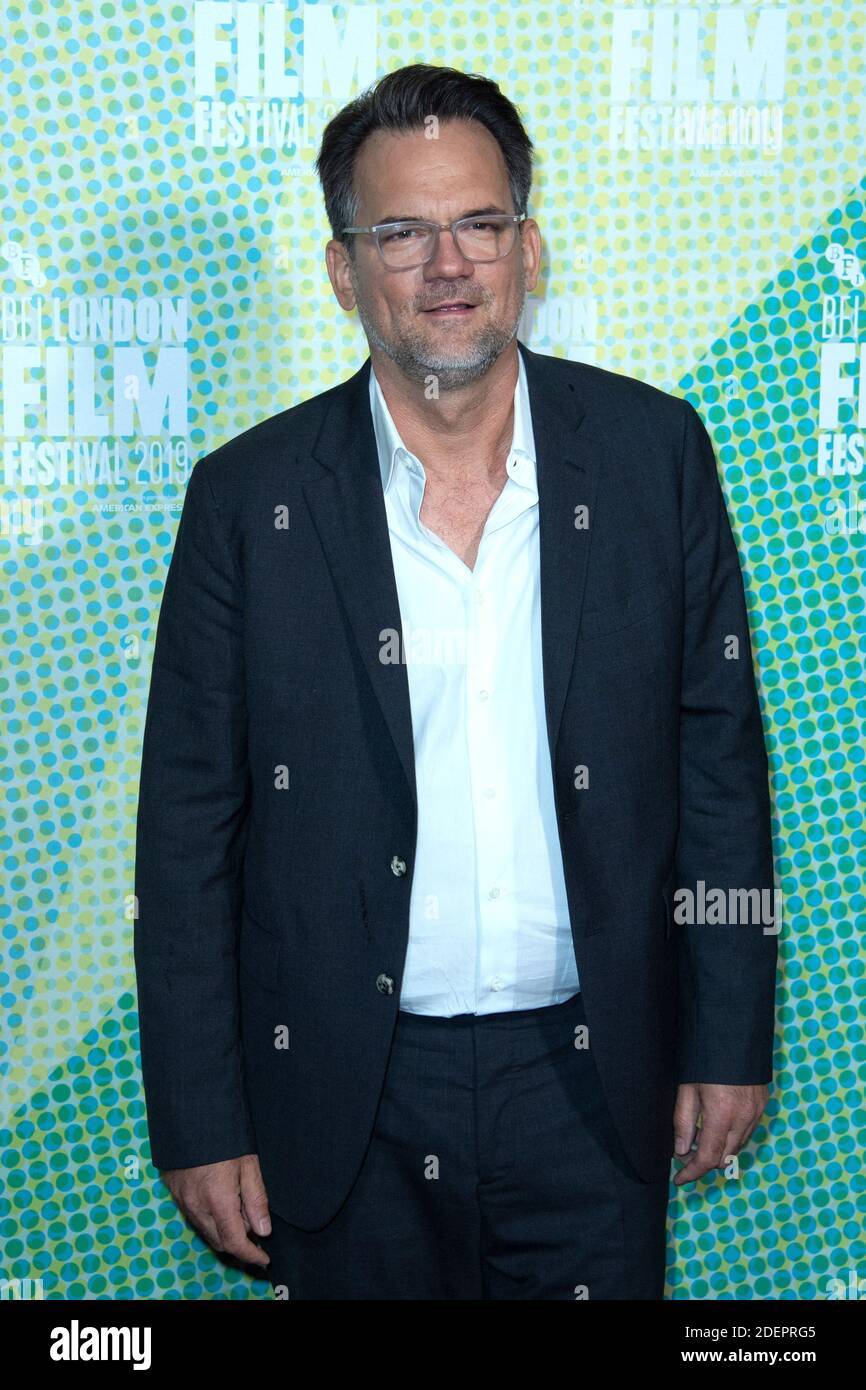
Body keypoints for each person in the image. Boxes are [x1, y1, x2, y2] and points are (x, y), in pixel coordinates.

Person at [133, 63, 778, 1300]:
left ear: (526, 247)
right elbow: (187, 830)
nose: (448, 264)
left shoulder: (654, 457)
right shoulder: (246, 498)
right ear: (342, 270)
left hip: (591, 1083)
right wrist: (200, 1113)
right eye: (401, 232)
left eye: (479, 223)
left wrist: (726, 1029)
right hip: (342, 1097)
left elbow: (717, 774)